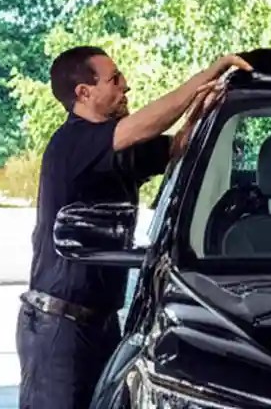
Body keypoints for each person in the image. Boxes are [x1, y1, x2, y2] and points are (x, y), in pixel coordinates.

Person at [15, 46, 251, 409]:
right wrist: (207, 75)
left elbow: (176, 147)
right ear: (84, 93)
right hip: (59, 327)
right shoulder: (73, 144)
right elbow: (146, 124)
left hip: (102, 322)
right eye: (114, 79)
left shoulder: (117, 150)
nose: (126, 86)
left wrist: (200, 113)